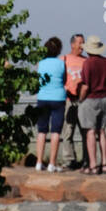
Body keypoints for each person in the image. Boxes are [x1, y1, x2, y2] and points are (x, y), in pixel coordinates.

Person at [78, 35, 106, 175]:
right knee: (102, 131)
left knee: (91, 132)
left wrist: (81, 99)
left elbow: (85, 85)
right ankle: (104, 163)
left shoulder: (88, 63)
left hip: (91, 99)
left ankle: (93, 165)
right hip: (105, 98)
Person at [35, 36, 66, 172]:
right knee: (55, 131)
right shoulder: (61, 63)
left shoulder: (41, 63)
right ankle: (52, 163)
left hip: (42, 97)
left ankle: (38, 161)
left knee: (41, 131)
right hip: (58, 98)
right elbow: (64, 79)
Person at [59, 33, 88, 170]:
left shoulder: (86, 61)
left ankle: (86, 160)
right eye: (80, 42)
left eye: (83, 42)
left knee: (85, 132)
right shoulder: (63, 60)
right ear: (72, 44)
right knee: (68, 131)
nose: (82, 45)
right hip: (69, 100)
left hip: (83, 100)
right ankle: (69, 160)